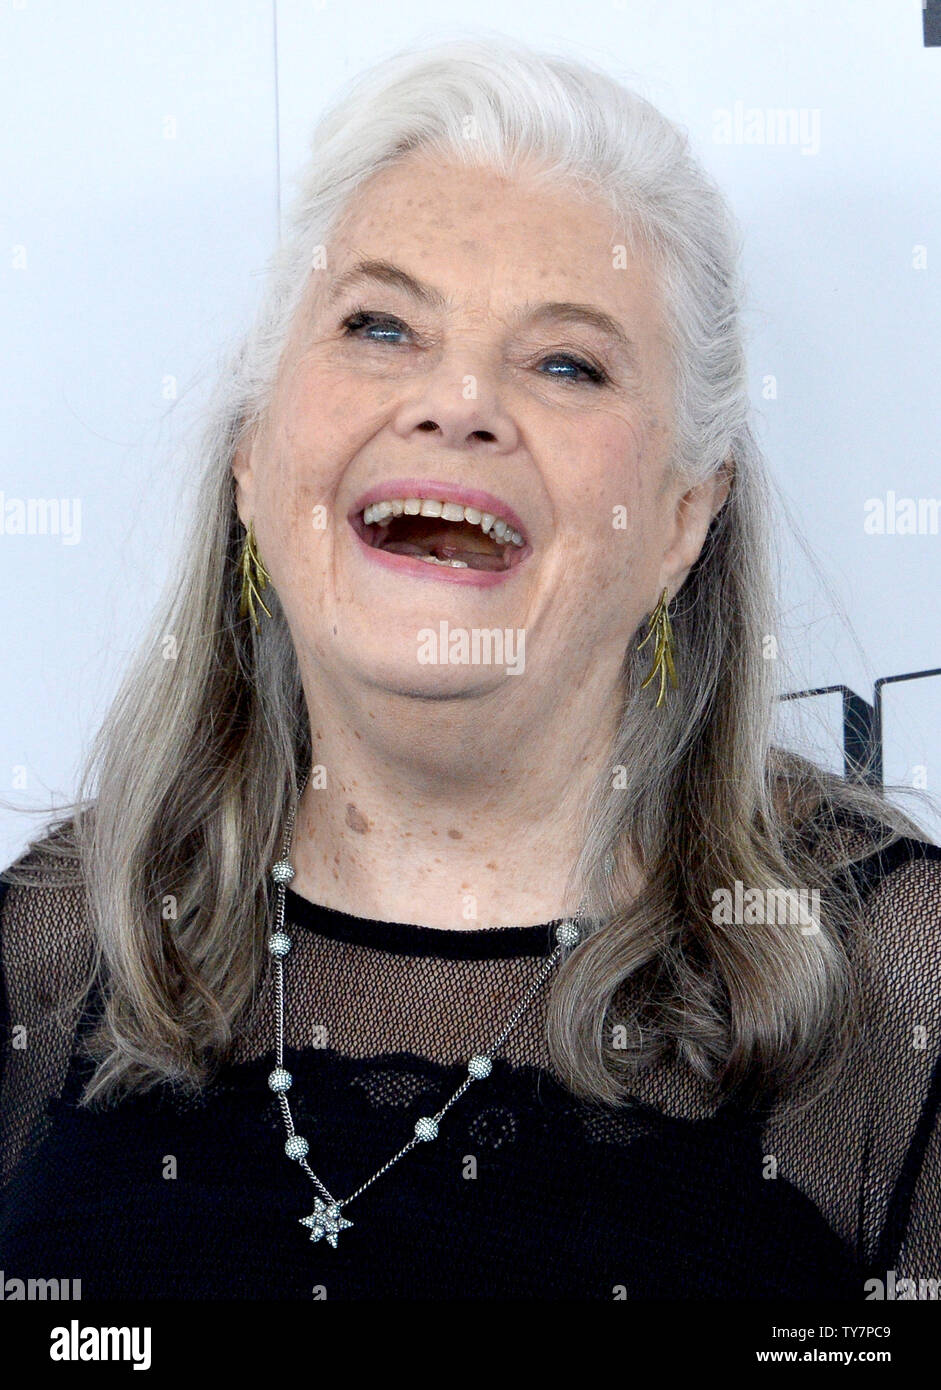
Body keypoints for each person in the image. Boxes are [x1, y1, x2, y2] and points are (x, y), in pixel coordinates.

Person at [1, 36, 939, 1300]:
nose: (455, 401)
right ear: (252, 457)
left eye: (565, 361)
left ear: (682, 519)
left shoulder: (890, 986)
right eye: (380, 325)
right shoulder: (53, 943)